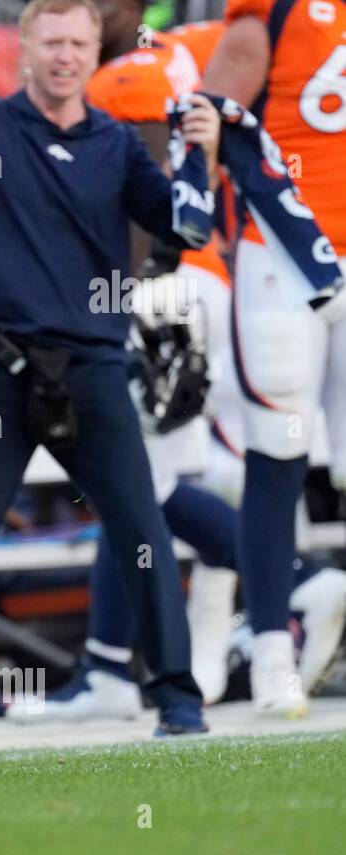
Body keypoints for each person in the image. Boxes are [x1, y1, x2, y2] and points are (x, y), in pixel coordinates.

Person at [0, 3, 222, 750]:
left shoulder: (118, 144)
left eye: (77, 43)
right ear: (25, 48)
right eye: (51, 41)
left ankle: (178, 699)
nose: (64, 55)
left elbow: (186, 231)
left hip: (91, 367)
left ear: (94, 52)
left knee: (141, 531)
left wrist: (200, 154)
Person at [9, 0, 243, 724]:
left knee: (139, 481)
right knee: (137, 480)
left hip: (164, 285)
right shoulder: (163, 55)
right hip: (176, 283)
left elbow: (142, 200)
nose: (76, 28)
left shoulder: (142, 71)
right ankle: (112, 664)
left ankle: (288, 587)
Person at [203, 0, 346, 717]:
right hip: (286, 260)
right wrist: (193, 232)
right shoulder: (271, 15)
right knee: (277, 452)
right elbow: (206, 119)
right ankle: (270, 653)